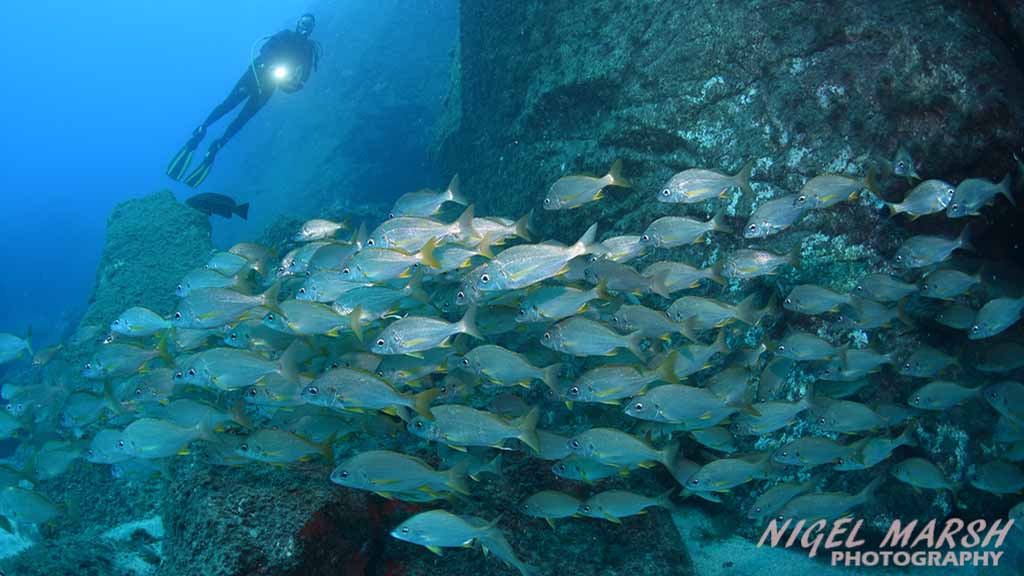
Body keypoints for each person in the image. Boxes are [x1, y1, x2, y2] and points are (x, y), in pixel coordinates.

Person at [167, 14, 321, 188]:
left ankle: (219, 145)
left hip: (269, 87)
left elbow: (303, 78)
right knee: (228, 105)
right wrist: (270, 64)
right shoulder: (285, 35)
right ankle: (202, 129)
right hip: (253, 76)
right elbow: (265, 49)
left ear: (312, 28)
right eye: (303, 22)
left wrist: (293, 82)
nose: (304, 27)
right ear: (298, 23)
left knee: (243, 118)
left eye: (309, 24)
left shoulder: (309, 49)